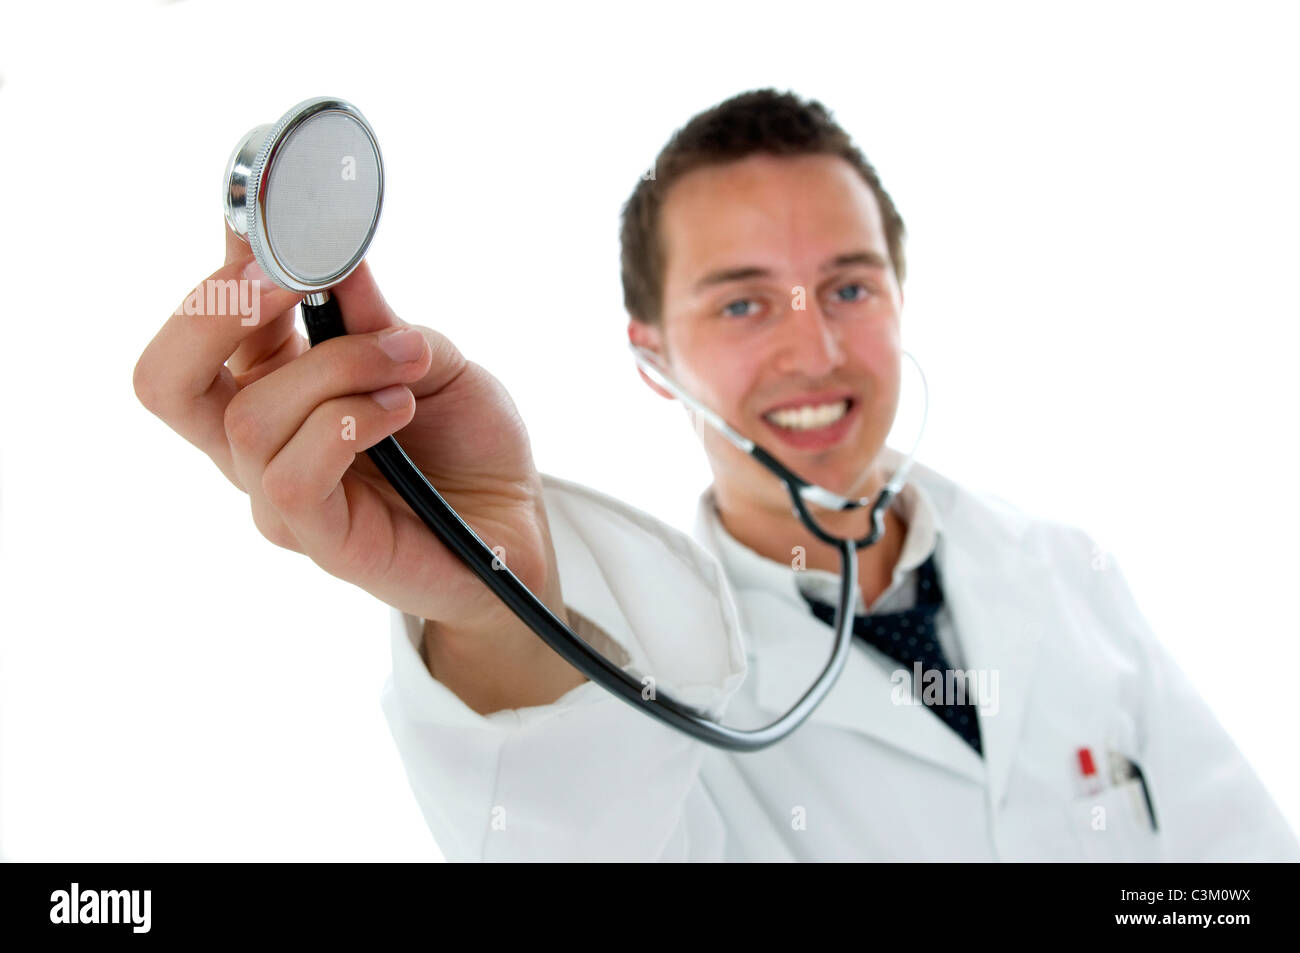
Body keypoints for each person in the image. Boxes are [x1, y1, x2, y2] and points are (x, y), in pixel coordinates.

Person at [134, 88, 1299, 862]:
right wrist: (497, 609)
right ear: (653, 356)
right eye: (741, 302)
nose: (816, 348)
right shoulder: (652, 663)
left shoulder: (1065, 569)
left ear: (899, 295)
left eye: (848, 284)